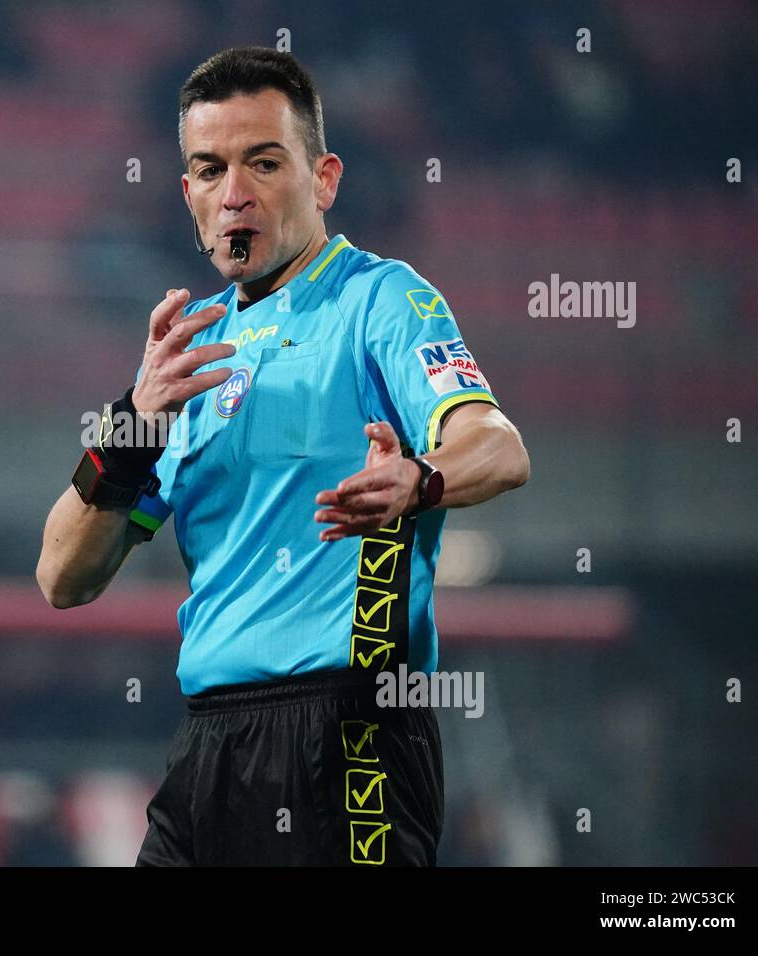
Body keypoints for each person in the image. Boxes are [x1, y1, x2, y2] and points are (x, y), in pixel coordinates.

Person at [37, 47, 530, 866]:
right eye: (211, 168)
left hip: (350, 736)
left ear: (323, 179)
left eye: (264, 163)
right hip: (209, 743)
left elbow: (501, 448)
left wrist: (421, 478)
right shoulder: (184, 357)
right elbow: (64, 577)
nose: (237, 193)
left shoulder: (382, 300)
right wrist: (131, 422)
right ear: (188, 193)